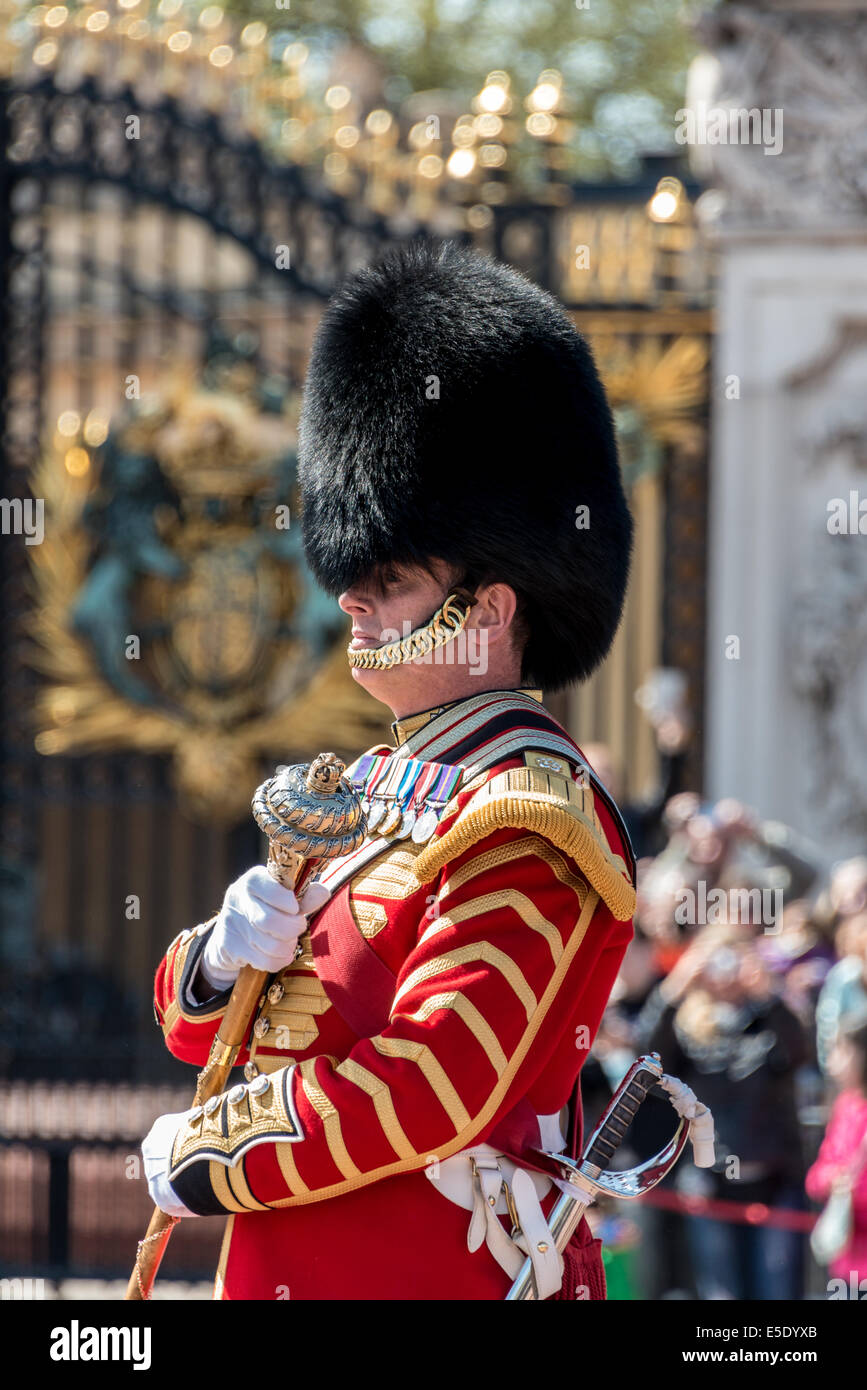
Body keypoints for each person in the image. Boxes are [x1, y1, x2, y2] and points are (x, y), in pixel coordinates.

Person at [139, 241, 636, 1300]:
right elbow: (205, 1028)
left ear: (490, 608)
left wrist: (212, 1150)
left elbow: (434, 1080)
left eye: (393, 577)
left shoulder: (524, 810)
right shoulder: (366, 789)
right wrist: (220, 962)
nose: (354, 600)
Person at [805, 1009, 867, 1288]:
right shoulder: (846, 1105)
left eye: (840, 1051)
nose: (830, 1064)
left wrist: (853, 1188)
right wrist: (833, 1179)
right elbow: (816, 1177)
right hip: (847, 1265)